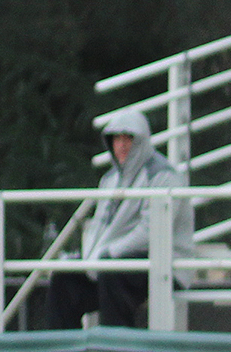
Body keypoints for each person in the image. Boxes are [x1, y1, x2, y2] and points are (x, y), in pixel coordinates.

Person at [46, 109, 194, 329]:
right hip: (112, 264)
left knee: (112, 272)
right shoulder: (110, 179)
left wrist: (109, 254)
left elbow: (151, 232)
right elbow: (99, 225)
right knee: (64, 277)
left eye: (128, 138)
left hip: (163, 264)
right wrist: (89, 258)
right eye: (116, 138)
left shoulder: (164, 176)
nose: (122, 145)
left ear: (141, 140)